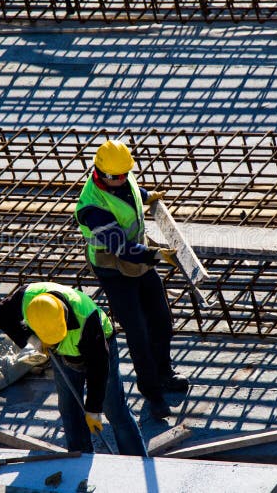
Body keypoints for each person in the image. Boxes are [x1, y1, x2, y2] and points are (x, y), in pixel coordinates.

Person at [74, 139, 188, 420]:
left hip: (140, 260)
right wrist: (157, 256)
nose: (123, 179)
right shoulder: (91, 207)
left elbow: (131, 188)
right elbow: (121, 248)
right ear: (100, 173)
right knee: (137, 332)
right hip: (114, 268)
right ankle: (152, 393)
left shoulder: (120, 174)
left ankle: (164, 373)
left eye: (127, 173)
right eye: (117, 176)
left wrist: (147, 195)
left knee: (161, 319)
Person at [0, 281, 147, 456]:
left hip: (99, 348)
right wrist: (32, 340)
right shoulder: (25, 299)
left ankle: (136, 458)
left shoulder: (87, 319)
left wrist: (93, 409)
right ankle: (80, 458)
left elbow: (98, 368)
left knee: (114, 409)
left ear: (63, 318)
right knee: (69, 408)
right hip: (62, 354)